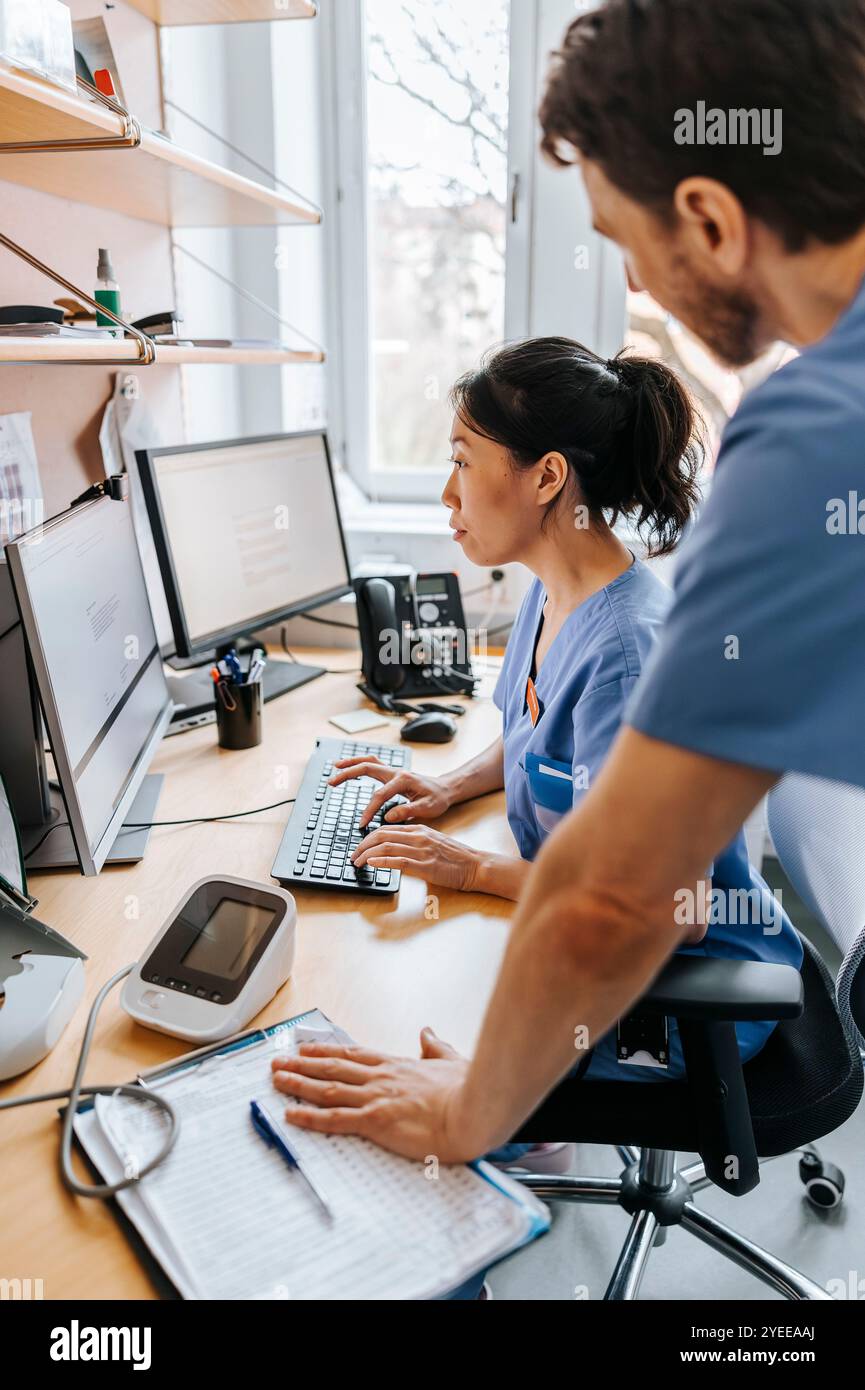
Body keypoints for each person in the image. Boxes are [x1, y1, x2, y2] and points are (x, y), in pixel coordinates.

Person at [268, 0, 865, 1171]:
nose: (635, 278)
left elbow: (618, 894)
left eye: (622, 238)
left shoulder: (814, 431)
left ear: (705, 212)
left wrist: (474, 1110)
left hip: (713, 988)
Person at [326, 336, 798, 1105]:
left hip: (675, 1000)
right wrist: (447, 787)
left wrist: (472, 869)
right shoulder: (554, 592)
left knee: (384, 1033)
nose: (448, 494)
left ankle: (529, 1139)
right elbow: (536, 739)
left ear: (546, 477)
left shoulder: (627, 656)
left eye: (461, 459)